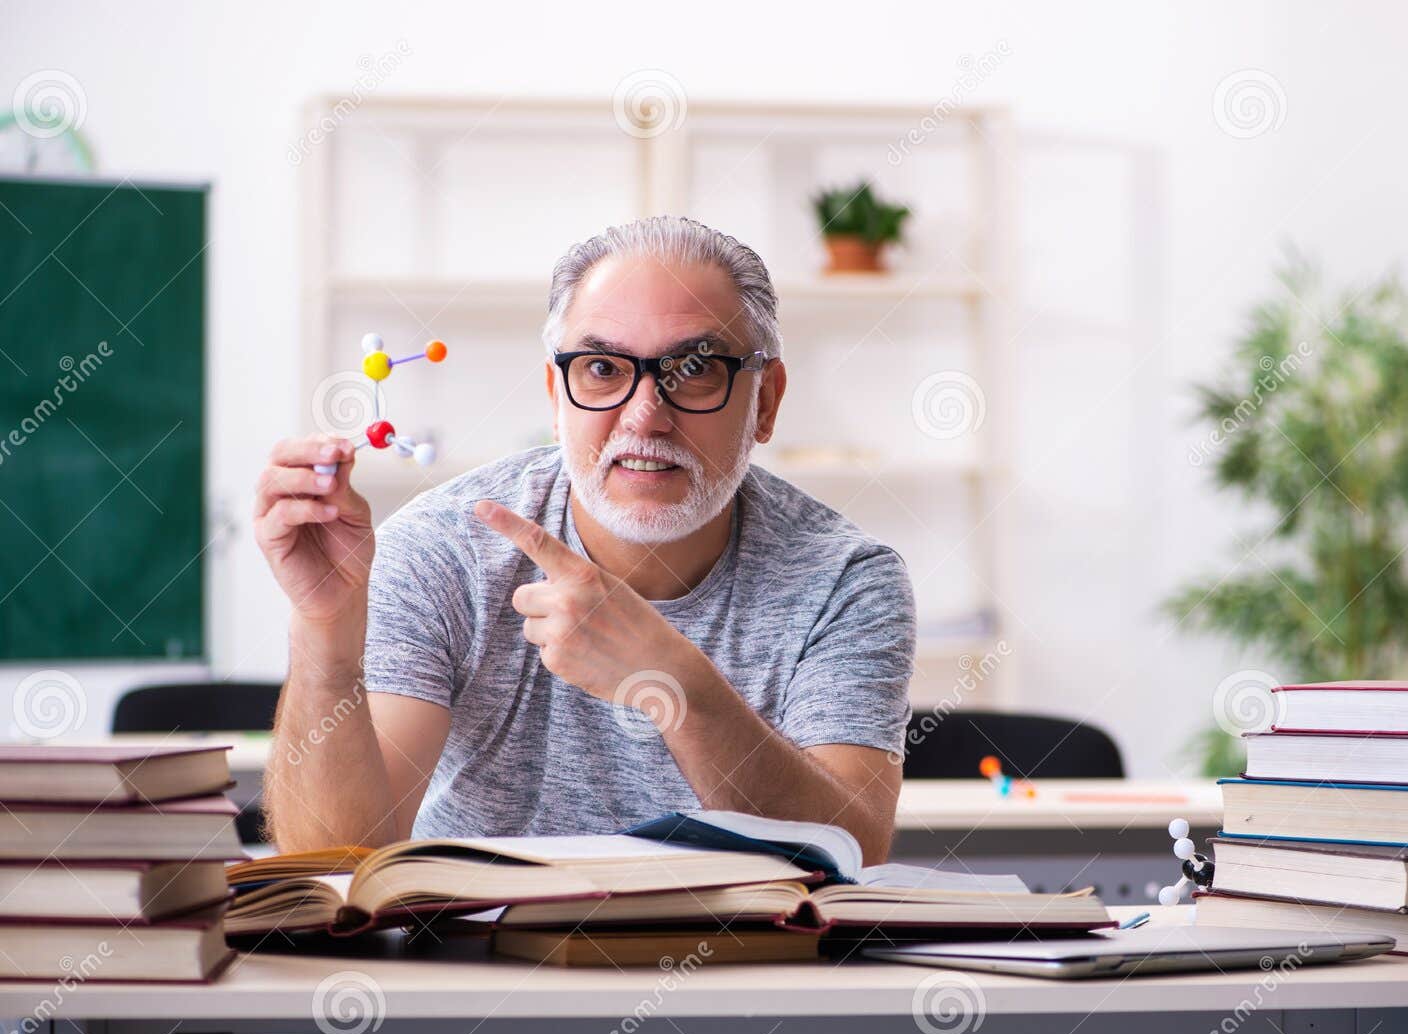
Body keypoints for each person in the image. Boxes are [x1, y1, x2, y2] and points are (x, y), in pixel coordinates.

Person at [254, 217, 916, 863]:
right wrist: (325, 629)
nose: (644, 416)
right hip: (477, 967)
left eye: (695, 369)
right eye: (602, 368)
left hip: (748, 966)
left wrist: (675, 681)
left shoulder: (847, 580)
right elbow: (335, 860)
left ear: (766, 401)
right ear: (555, 393)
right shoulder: (442, 550)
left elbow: (851, 850)